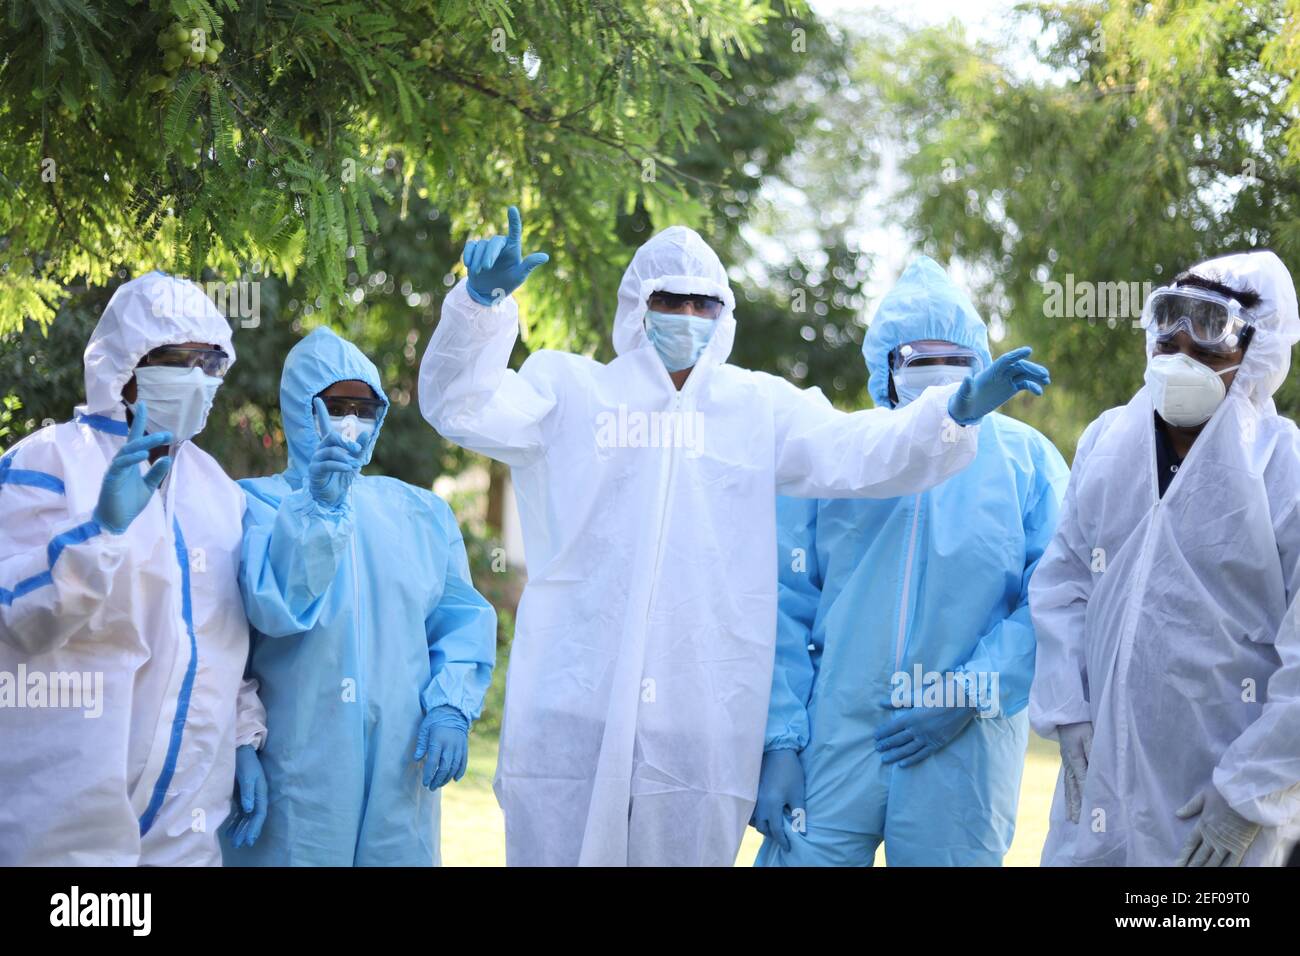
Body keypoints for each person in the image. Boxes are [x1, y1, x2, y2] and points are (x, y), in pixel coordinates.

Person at [419, 206, 1050, 866]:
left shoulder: (758, 408)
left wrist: (955, 411)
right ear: (637, 305)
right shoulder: (569, 391)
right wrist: (478, 304)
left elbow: (862, 448)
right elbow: (461, 405)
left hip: (698, 722)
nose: (686, 316)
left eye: (703, 302)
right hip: (576, 707)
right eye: (670, 300)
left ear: (724, 314)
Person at [752, 256, 1069, 866]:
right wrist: (779, 742)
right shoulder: (841, 454)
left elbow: (1054, 599)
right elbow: (783, 604)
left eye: (954, 359)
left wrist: (968, 694)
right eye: (919, 360)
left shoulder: (1027, 462)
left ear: (982, 365)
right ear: (887, 371)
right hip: (836, 735)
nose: (939, 374)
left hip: (965, 745)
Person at [1031, 250, 1300, 866]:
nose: (1181, 362)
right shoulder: (1106, 443)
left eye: (1205, 351)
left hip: (1213, 807)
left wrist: (1248, 795)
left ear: (1254, 358)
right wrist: (1067, 710)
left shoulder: (1283, 469)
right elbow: (1062, 584)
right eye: (1168, 342)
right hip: (1096, 790)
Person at [0, 271, 266, 866]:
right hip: (63, 813)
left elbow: (222, 637)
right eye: (181, 359)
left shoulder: (217, 491)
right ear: (129, 364)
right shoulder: (47, 462)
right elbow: (20, 617)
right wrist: (101, 531)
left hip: (185, 821)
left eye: (213, 363)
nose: (200, 379)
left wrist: (245, 734)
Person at [222, 327, 496, 867]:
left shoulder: (421, 514)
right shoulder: (251, 506)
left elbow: (459, 624)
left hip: (402, 772)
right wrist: (236, 738)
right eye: (335, 404)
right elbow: (256, 618)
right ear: (301, 409)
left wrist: (450, 707)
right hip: (294, 775)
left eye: (365, 406)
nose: (352, 419)